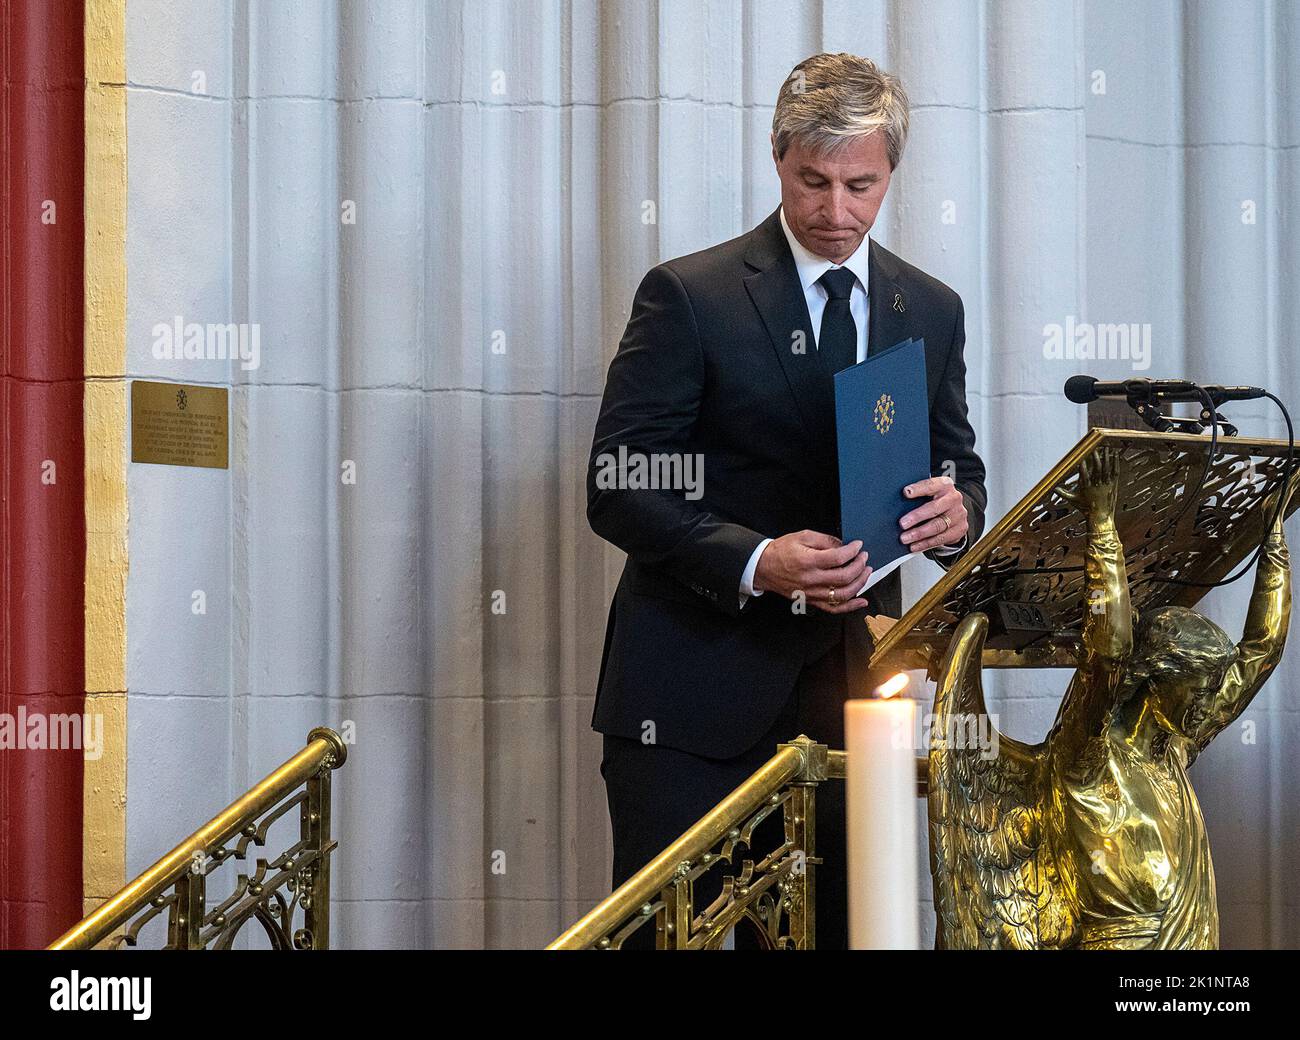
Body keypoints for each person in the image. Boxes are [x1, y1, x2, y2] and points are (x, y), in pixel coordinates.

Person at [586, 52, 986, 948]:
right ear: (777, 155)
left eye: (861, 185)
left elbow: (961, 469)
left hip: (855, 699)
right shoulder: (689, 294)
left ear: (892, 173)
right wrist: (758, 560)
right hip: (688, 698)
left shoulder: (931, 308)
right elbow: (618, 483)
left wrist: (959, 517)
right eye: (814, 181)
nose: (836, 212)